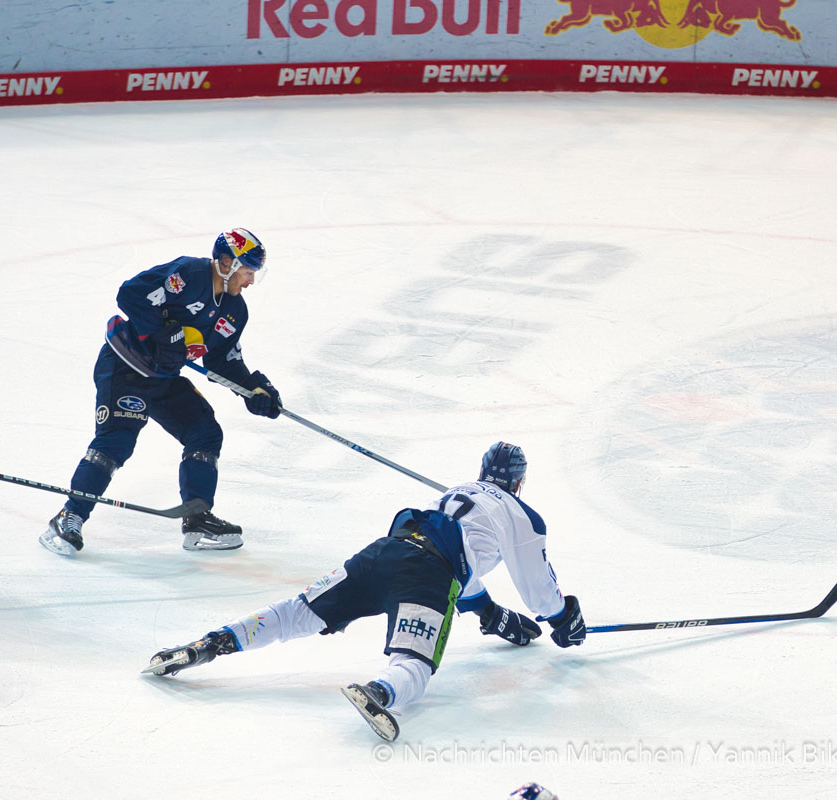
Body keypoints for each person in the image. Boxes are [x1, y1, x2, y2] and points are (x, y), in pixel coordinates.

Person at [142, 442, 587, 742]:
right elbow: (538, 592)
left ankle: (209, 644)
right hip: (430, 576)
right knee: (413, 663)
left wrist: (491, 614)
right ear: (519, 482)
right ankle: (378, 691)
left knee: (297, 611)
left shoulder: (455, 494)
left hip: (383, 553)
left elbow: (462, 554)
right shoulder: (521, 513)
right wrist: (565, 618)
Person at [40, 228, 282, 556]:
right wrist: (165, 332)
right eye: (248, 271)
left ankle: (197, 520)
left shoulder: (235, 311)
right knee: (118, 440)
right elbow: (131, 294)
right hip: (125, 366)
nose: (251, 281)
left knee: (205, 433)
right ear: (226, 262)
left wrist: (253, 388)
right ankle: (69, 516)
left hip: (164, 377)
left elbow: (222, 358)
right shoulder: (189, 274)